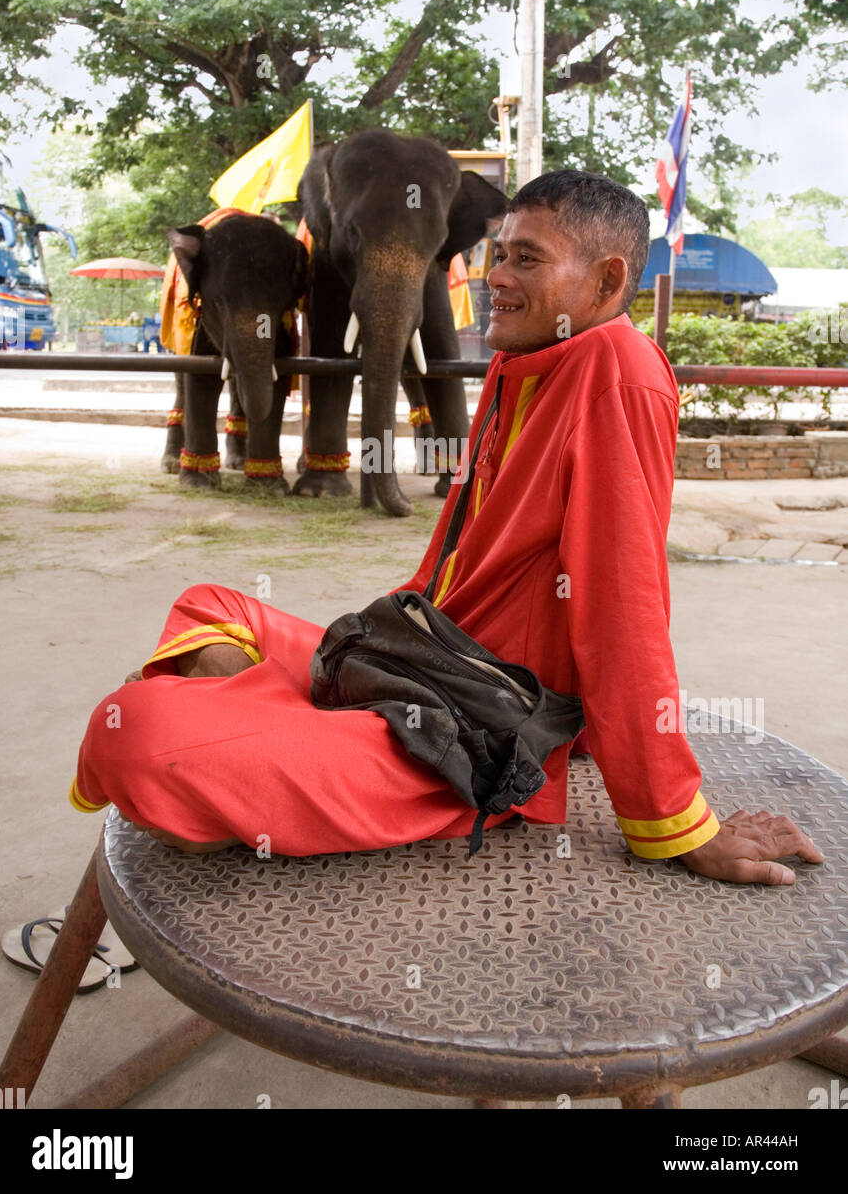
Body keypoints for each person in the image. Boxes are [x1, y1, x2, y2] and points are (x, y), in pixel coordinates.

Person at [71, 170, 824, 886]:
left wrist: (675, 820)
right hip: (423, 657)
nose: (495, 276)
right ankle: (286, 742)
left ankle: (283, 749)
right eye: (498, 255)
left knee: (131, 734)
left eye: (526, 259)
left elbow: (623, 606)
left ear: (607, 282)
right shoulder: (526, 360)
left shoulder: (616, 370)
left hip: (480, 728)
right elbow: (450, 565)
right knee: (210, 606)